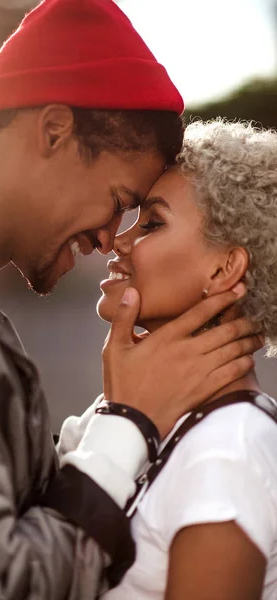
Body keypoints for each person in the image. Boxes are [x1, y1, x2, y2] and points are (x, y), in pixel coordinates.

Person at [0, 0, 262, 596]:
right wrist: (129, 420)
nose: (112, 239)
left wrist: (120, 413)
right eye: (117, 200)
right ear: (54, 131)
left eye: (144, 219)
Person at [77, 119, 276, 600]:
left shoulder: (227, 452)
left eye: (151, 223)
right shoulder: (169, 419)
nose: (118, 242)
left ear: (225, 268)